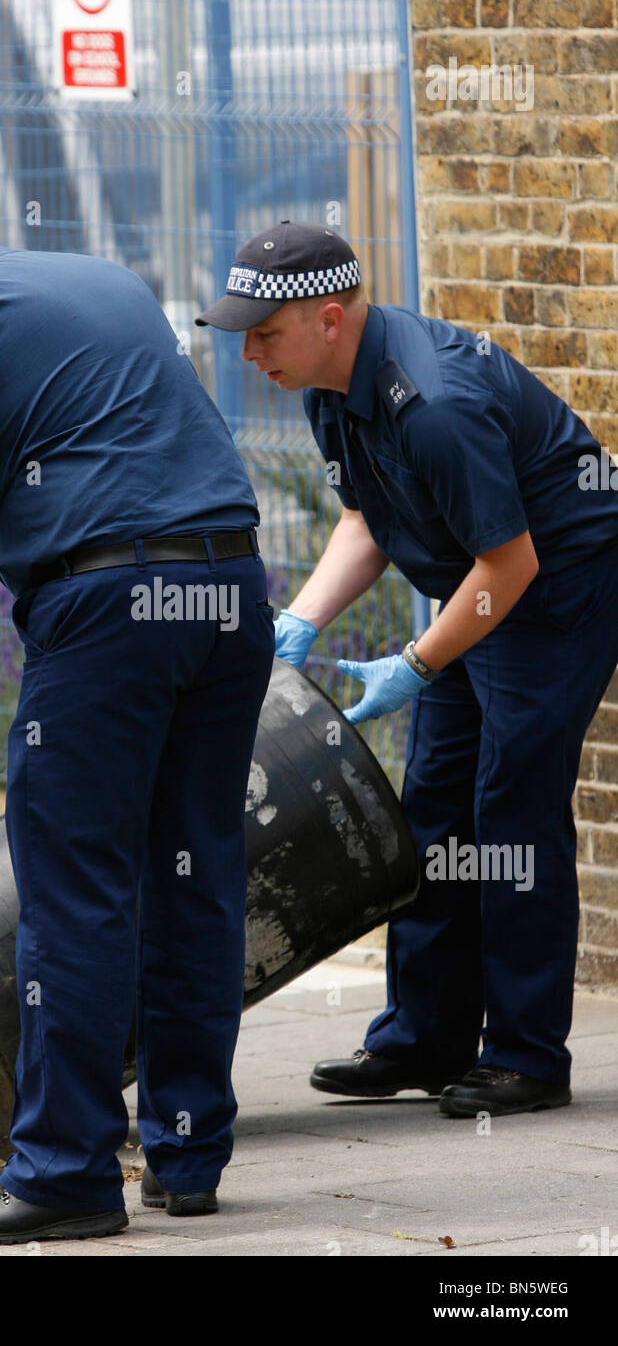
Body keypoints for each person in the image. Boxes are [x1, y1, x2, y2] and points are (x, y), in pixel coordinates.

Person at [0, 196, 276, 1240]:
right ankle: (186, 1153)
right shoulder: (97, 276)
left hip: (109, 607)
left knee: (79, 887)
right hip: (230, 592)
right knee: (195, 873)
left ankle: (67, 1171)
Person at [195, 219, 618, 1118]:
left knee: (509, 810)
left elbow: (514, 566)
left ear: (330, 316)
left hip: (555, 592)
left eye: (263, 334)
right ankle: (423, 1038)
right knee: (431, 798)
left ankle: (527, 1056)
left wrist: (417, 665)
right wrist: (300, 622)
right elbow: (367, 520)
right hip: (477, 586)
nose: (250, 357)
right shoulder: (324, 385)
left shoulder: (437, 403)